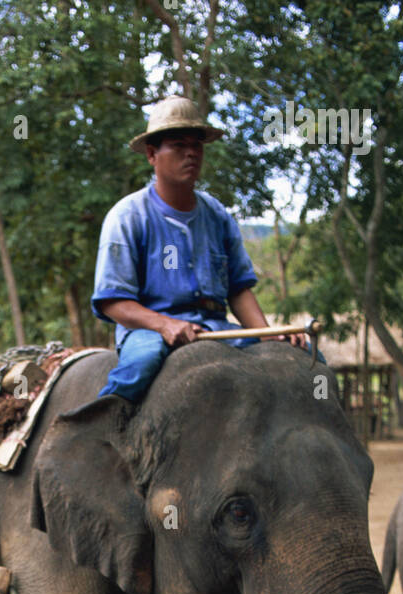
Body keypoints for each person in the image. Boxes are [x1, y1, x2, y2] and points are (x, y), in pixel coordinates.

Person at [92, 96, 306, 402]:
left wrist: (269, 333)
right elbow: (113, 301)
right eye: (178, 145)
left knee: (303, 359)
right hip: (150, 333)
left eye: (197, 145)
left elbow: (238, 289)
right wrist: (165, 324)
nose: (191, 153)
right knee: (141, 365)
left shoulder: (218, 216)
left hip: (216, 328)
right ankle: (102, 431)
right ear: (152, 154)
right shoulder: (127, 216)